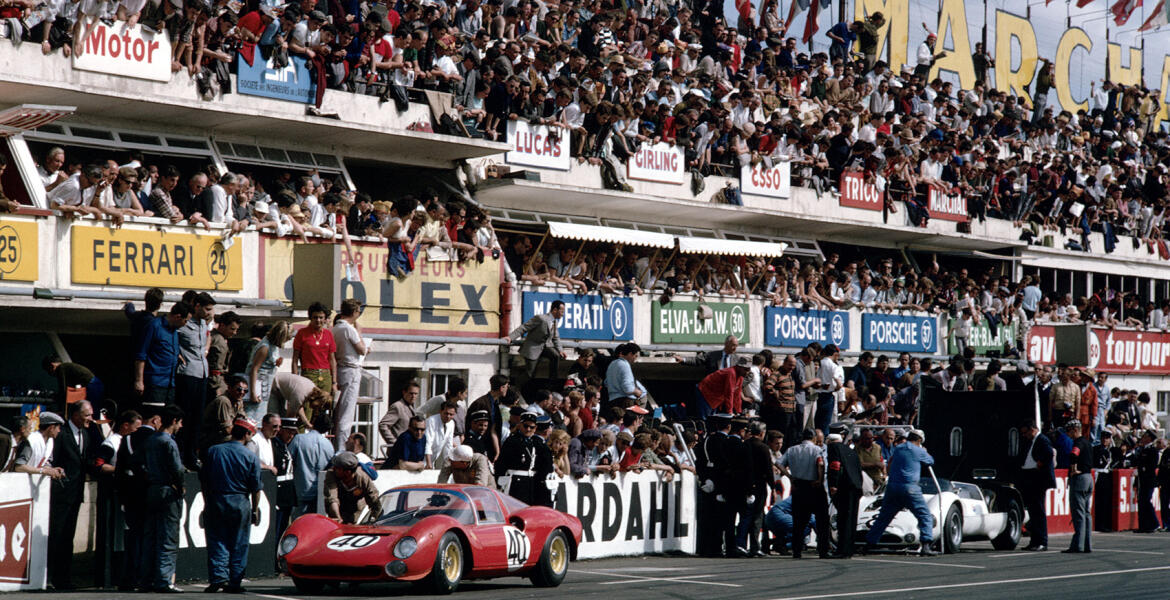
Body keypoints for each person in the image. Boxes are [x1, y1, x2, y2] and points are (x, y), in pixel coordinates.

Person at [201, 417, 262, 593]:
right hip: (240, 502)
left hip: (216, 499)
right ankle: (235, 581)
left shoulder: (213, 451)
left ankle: (218, 577)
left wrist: (207, 502)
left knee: (217, 540)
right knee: (239, 542)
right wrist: (255, 509)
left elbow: (204, 480)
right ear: (247, 434)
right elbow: (256, 488)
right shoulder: (250, 456)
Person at [48, 401, 98, 590]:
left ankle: (64, 578)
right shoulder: (61, 434)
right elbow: (53, 460)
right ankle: (50, 577)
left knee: (68, 537)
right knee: (56, 535)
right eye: (87, 415)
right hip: (60, 495)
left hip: (76, 495)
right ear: (76, 415)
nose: (90, 419)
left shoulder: (85, 434)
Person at [865, 429, 936, 556]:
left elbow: (891, 462)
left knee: (884, 517)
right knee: (924, 515)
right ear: (919, 441)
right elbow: (930, 461)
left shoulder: (898, 448)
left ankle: (870, 542)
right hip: (910, 488)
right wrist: (924, 451)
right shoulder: (919, 450)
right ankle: (926, 544)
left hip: (892, 487)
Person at [114, 404, 162, 591]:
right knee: (151, 538)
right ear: (155, 420)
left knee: (133, 538)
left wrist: (123, 495)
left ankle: (128, 578)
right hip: (151, 494)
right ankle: (146, 578)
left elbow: (119, 471)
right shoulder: (157, 439)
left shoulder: (127, 440)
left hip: (131, 495)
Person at [142, 405, 186, 593]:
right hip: (168, 491)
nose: (181, 426)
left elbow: (137, 462)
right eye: (180, 422)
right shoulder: (169, 443)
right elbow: (177, 469)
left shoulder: (150, 440)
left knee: (151, 536)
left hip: (152, 490)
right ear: (174, 421)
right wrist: (180, 485)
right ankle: (165, 580)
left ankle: (146, 579)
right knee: (168, 537)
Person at [176, 292, 215, 468]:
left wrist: (206, 349)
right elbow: (171, 338)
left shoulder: (203, 324)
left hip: (202, 373)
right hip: (187, 374)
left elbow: (207, 337)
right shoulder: (185, 323)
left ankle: (192, 455)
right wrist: (176, 355)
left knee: (198, 419)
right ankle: (181, 454)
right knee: (186, 417)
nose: (209, 313)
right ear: (197, 306)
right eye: (207, 309)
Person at [779, 428, 831, 559]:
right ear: (813, 438)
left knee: (799, 521)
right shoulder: (818, 450)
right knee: (822, 521)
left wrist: (789, 477)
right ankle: (823, 550)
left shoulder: (792, 450)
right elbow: (820, 463)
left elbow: (779, 463)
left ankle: (797, 550)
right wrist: (819, 479)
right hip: (814, 486)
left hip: (799, 486)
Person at [134, 302, 193, 405]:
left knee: (168, 416)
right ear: (178, 317)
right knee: (153, 417)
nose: (185, 324)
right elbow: (141, 355)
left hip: (170, 384)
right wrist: (139, 381)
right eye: (185, 321)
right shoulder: (154, 326)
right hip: (155, 383)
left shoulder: (174, 331)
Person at [332, 298, 369, 451]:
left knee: (339, 411)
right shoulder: (349, 329)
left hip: (340, 368)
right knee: (346, 413)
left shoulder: (334, 328)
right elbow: (362, 349)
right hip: (351, 369)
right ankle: (340, 450)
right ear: (354, 312)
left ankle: (337, 447)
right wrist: (359, 333)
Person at [286, 413, 336, 516]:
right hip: (320, 491)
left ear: (313, 423)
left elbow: (288, 459)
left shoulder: (299, 439)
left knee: (298, 523)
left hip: (300, 488)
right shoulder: (329, 445)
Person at [1018, 419, 1055, 550]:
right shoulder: (1031, 442)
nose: (1024, 435)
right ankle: (1034, 541)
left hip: (1038, 479)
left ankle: (1042, 542)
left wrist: (1040, 462)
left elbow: (1049, 453)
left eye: (1025, 432)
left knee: (1038, 511)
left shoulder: (1042, 439)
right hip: (1029, 477)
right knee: (1033, 511)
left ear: (1032, 429)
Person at [827, 423, 863, 558]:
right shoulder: (851, 450)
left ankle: (842, 550)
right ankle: (849, 549)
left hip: (844, 487)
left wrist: (833, 484)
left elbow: (835, 466)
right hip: (856, 487)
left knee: (843, 519)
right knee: (851, 519)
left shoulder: (833, 448)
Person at [509, 299, 566, 382]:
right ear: (555, 310)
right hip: (533, 348)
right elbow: (524, 327)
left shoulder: (554, 322)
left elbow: (555, 338)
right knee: (529, 373)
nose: (563, 314)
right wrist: (510, 337)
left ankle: (552, 381)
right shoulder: (541, 318)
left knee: (556, 356)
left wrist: (560, 350)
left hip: (545, 347)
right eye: (562, 311)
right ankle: (514, 387)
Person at [248, 321, 292, 422]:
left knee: (261, 414)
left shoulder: (273, 345)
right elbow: (254, 369)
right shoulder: (265, 347)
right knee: (254, 416)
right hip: (258, 385)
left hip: (265, 385)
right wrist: (253, 393)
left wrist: (276, 363)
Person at [496, 411, 543, 504]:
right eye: (525, 426)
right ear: (520, 425)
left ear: (535, 428)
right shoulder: (512, 441)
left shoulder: (537, 442)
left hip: (530, 484)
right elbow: (501, 463)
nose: (528, 429)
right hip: (515, 483)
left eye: (532, 427)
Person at [323, 451, 381, 524]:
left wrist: (373, 519)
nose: (334, 469)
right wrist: (337, 518)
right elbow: (332, 498)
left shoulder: (362, 477)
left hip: (357, 510)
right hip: (338, 509)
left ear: (348, 472)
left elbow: (374, 498)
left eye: (337, 468)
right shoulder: (331, 474)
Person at [1064, 420, 1093, 553]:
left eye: (1069, 431)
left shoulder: (1078, 442)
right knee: (1086, 513)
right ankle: (1087, 544)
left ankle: (1078, 545)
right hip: (1089, 478)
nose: (1068, 434)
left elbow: (1074, 454)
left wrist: (1073, 469)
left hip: (1080, 479)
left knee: (1079, 513)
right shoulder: (1088, 442)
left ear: (1075, 430)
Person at [466, 375, 508, 461]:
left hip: (489, 448)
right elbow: (473, 427)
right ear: (501, 388)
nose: (507, 389)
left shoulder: (495, 403)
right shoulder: (481, 403)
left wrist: (497, 451)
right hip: (477, 448)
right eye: (506, 387)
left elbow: (493, 429)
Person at [605, 343, 648, 409]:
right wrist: (637, 391)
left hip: (613, 400)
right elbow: (627, 387)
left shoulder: (612, 364)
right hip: (625, 402)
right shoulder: (624, 365)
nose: (635, 359)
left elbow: (606, 383)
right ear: (630, 354)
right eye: (635, 356)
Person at [379, 381, 421, 449]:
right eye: (411, 393)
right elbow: (383, 425)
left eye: (416, 394)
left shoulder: (411, 408)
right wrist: (395, 443)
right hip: (399, 452)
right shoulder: (397, 406)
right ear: (404, 392)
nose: (413, 396)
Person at [1134, 429, 1160, 533]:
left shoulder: (1152, 451)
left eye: (1145, 436)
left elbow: (1150, 466)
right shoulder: (1142, 450)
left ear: (1149, 438)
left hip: (1148, 480)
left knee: (1146, 501)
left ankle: (1154, 523)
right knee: (1141, 502)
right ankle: (1143, 525)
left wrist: (1143, 469)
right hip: (1142, 480)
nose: (1143, 438)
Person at [425, 400, 461, 469]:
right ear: (440, 411)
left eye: (451, 414)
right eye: (446, 413)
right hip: (423, 458)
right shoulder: (431, 421)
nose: (448, 416)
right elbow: (427, 443)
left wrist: (449, 465)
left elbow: (448, 445)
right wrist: (428, 462)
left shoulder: (451, 423)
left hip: (432, 459)